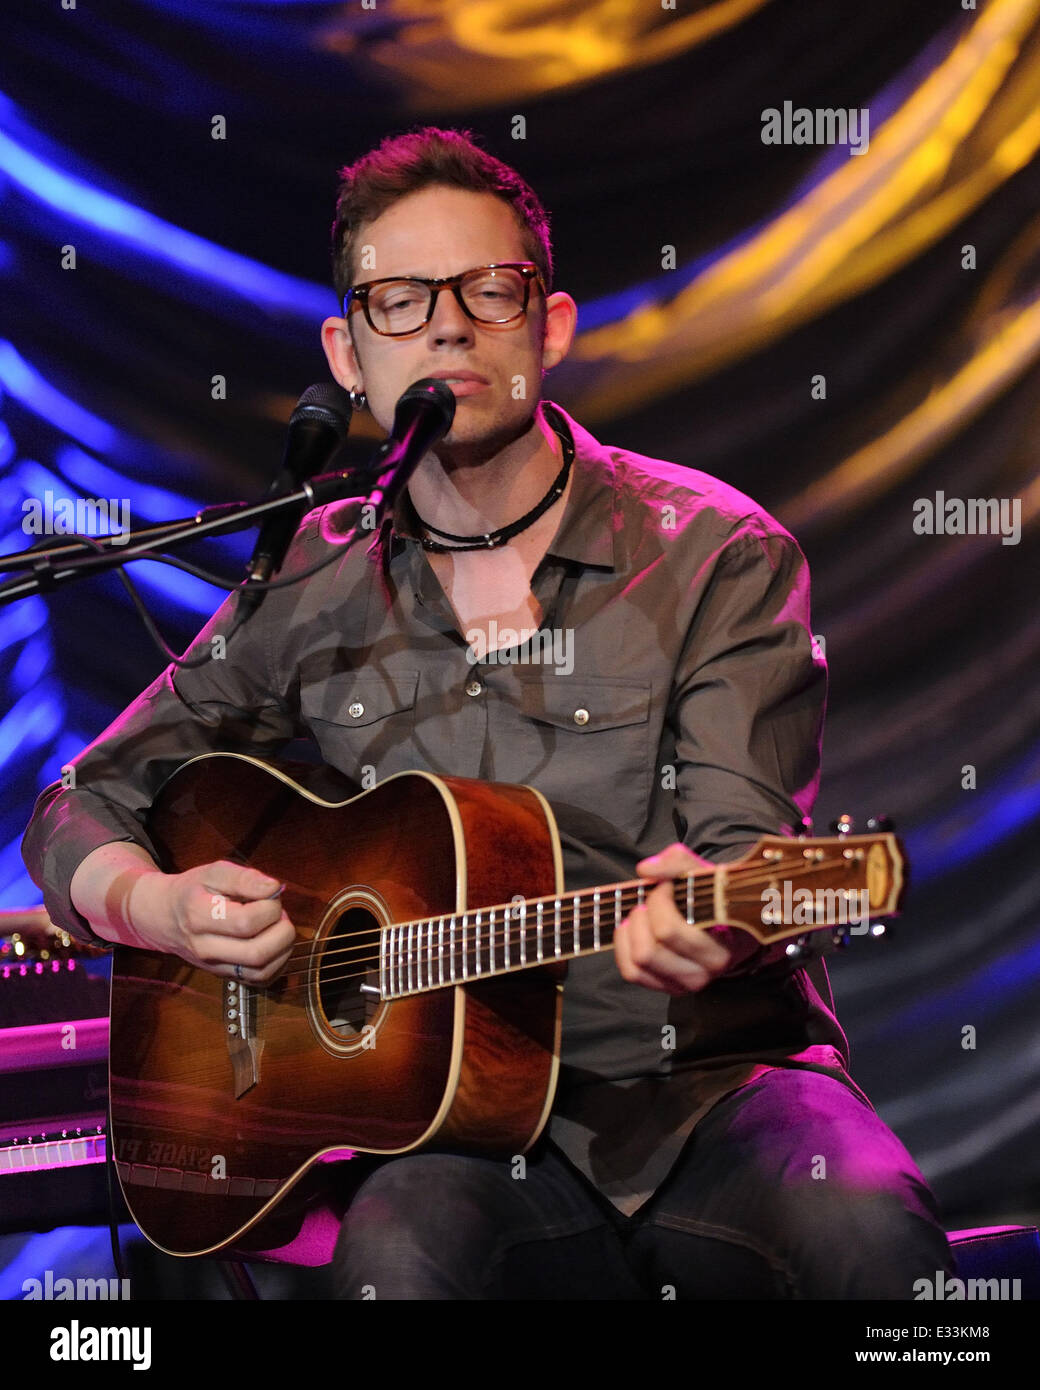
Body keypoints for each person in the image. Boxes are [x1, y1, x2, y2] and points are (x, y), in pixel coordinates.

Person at [23, 127, 954, 1300]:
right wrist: (157, 904)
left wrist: (717, 914)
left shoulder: (715, 553)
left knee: (874, 1244)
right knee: (395, 1259)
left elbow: (736, 847)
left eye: (488, 291)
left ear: (549, 326)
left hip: (715, 1093)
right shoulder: (310, 575)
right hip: (455, 1132)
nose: (450, 327)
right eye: (401, 301)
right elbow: (80, 802)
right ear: (347, 354)